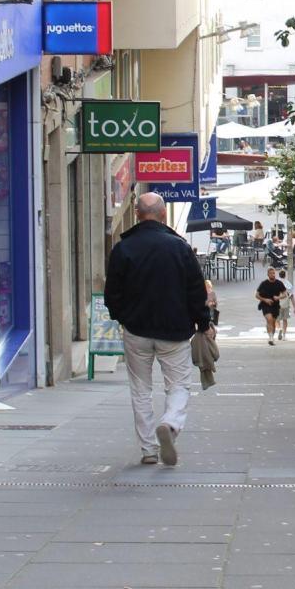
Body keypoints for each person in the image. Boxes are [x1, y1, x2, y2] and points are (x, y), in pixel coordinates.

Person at [105, 192, 213, 467]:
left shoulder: (124, 248)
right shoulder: (179, 247)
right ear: (163, 214)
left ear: (138, 214)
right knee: (178, 385)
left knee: (140, 388)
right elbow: (195, 290)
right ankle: (171, 424)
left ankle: (148, 449)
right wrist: (203, 321)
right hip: (174, 330)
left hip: (136, 329)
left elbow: (112, 294)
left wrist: (122, 317)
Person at [256, 268, 288, 345]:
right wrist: (265, 300)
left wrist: (278, 297)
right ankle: (270, 337)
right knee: (269, 319)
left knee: (273, 322)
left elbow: (285, 294)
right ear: (268, 274)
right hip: (265, 305)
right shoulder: (264, 283)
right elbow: (257, 295)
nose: (272, 275)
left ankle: (271, 337)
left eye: (273, 273)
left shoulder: (279, 283)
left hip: (275, 306)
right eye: (271, 273)